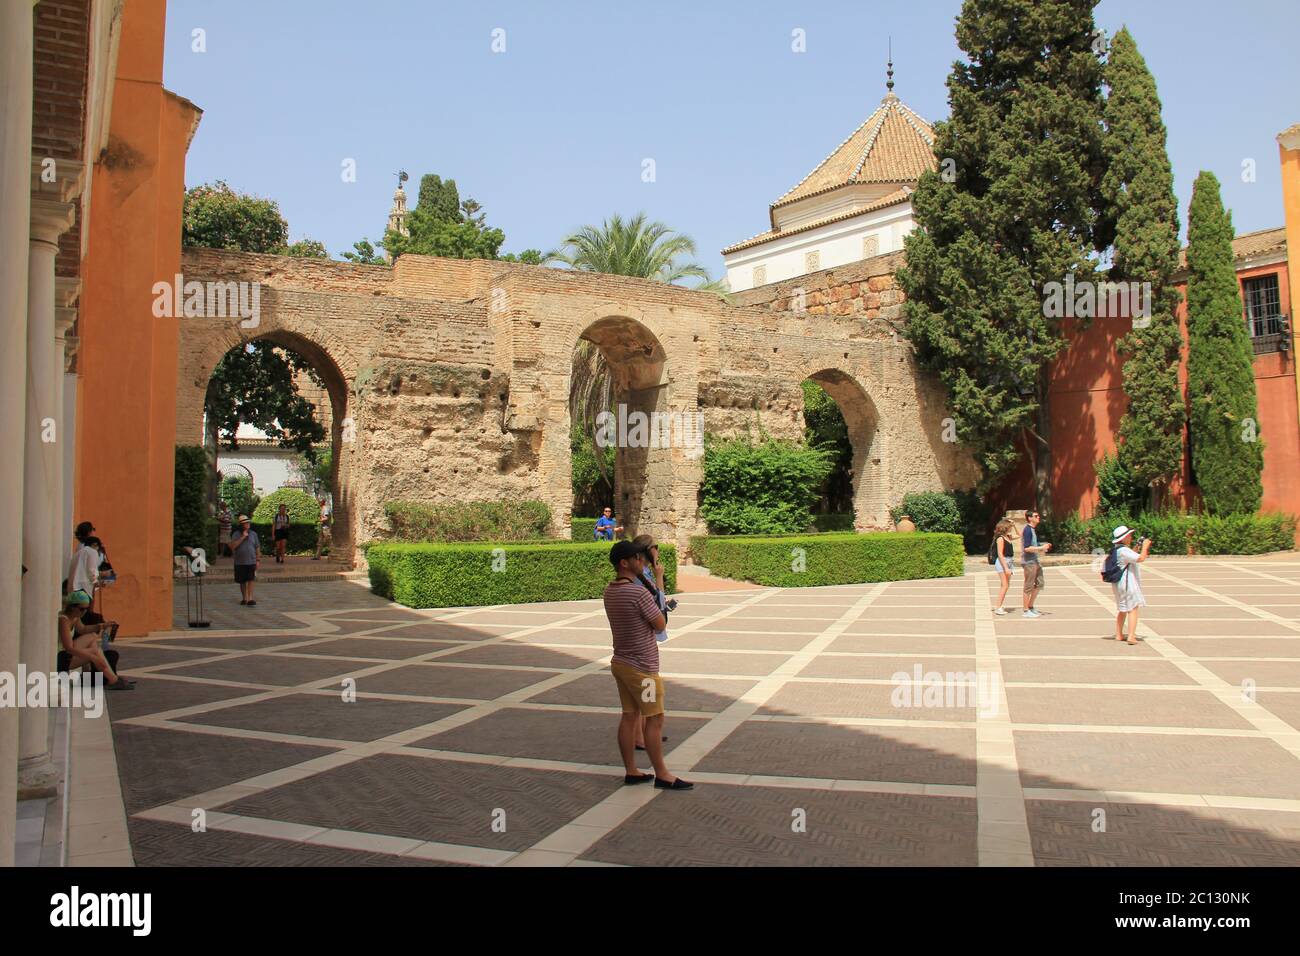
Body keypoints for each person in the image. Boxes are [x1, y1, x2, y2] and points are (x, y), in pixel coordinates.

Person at [604, 539, 692, 791]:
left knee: (629, 716)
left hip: (621, 662)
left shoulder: (611, 590)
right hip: (642, 668)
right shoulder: (638, 592)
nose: (641, 561)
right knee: (655, 719)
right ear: (625, 563)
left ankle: (631, 771)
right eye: (637, 558)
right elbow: (660, 624)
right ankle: (663, 774)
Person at [630, 534, 677, 752]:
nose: (658, 550)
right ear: (648, 551)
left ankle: (644, 735)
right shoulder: (642, 576)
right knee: (647, 694)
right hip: (642, 639)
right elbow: (655, 602)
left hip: (644, 636)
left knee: (641, 695)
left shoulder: (644, 572)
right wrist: (660, 577)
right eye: (655, 547)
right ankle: (643, 737)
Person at [59, 590, 132, 690]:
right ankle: (113, 679)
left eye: (86, 609)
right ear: (72, 607)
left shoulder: (75, 616)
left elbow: (83, 629)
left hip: (67, 654)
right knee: (96, 651)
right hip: (62, 658)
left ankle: (111, 678)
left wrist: (102, 626)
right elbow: (69, 648)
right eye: (82, 609)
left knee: (93, 637)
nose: (84, 612)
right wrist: (91, 657)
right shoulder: (64, 620)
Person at [1107, 525, 1151, 645]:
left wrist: (1137, 547)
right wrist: (1145, 547)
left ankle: (1119, 634)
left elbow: (1131, 556)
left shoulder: (1117, 549)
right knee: (1133, 609)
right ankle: (1131, 636)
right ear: (1124, 537)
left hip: (1118, 584)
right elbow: (1141, 558)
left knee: (1122, 609)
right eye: (1129, 535)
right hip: (1127, 584)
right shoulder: (1124, 551)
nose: (1131, 537)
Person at [1020, 510, 1051, 618]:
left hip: (1035, 561)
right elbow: (1027, 548)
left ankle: (1030, 606)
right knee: (1028, 586)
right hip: (1029, 562)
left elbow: (1034, 545)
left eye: (1038, 515)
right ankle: (1025, 610)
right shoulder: (1027, 530)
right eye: (1036, 516)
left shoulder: (1032, 530)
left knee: (1040, 583)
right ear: (1029, 518)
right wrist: (1041, 548)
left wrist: (1042, 547)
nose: (1038, 517)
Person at [231, 514, 261, 605]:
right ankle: (244, 598)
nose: (248, 524)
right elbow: (233, 546)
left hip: (251, 560)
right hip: (239, 562)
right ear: (241, 525)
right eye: (245, 523)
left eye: (248, 522)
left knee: (251, 579)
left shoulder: (253, 534)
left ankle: (250, 598)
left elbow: (257, 547)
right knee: (242, 581)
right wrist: (243, 537)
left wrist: (258, 560)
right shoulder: (236, 534)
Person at [990, 519, 1016, 615]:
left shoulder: (1008, 537)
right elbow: (1000, 554)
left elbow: (1019, 535)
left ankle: (999, 605)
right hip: (1003, 562)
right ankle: (998, 607)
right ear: (1005, 527)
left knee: (1005, 585)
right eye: (1009, 526)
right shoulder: (1000, 538)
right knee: (1004, 585)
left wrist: (1014, 525)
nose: (1010, 528)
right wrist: (1006, 568)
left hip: (1009, 561)